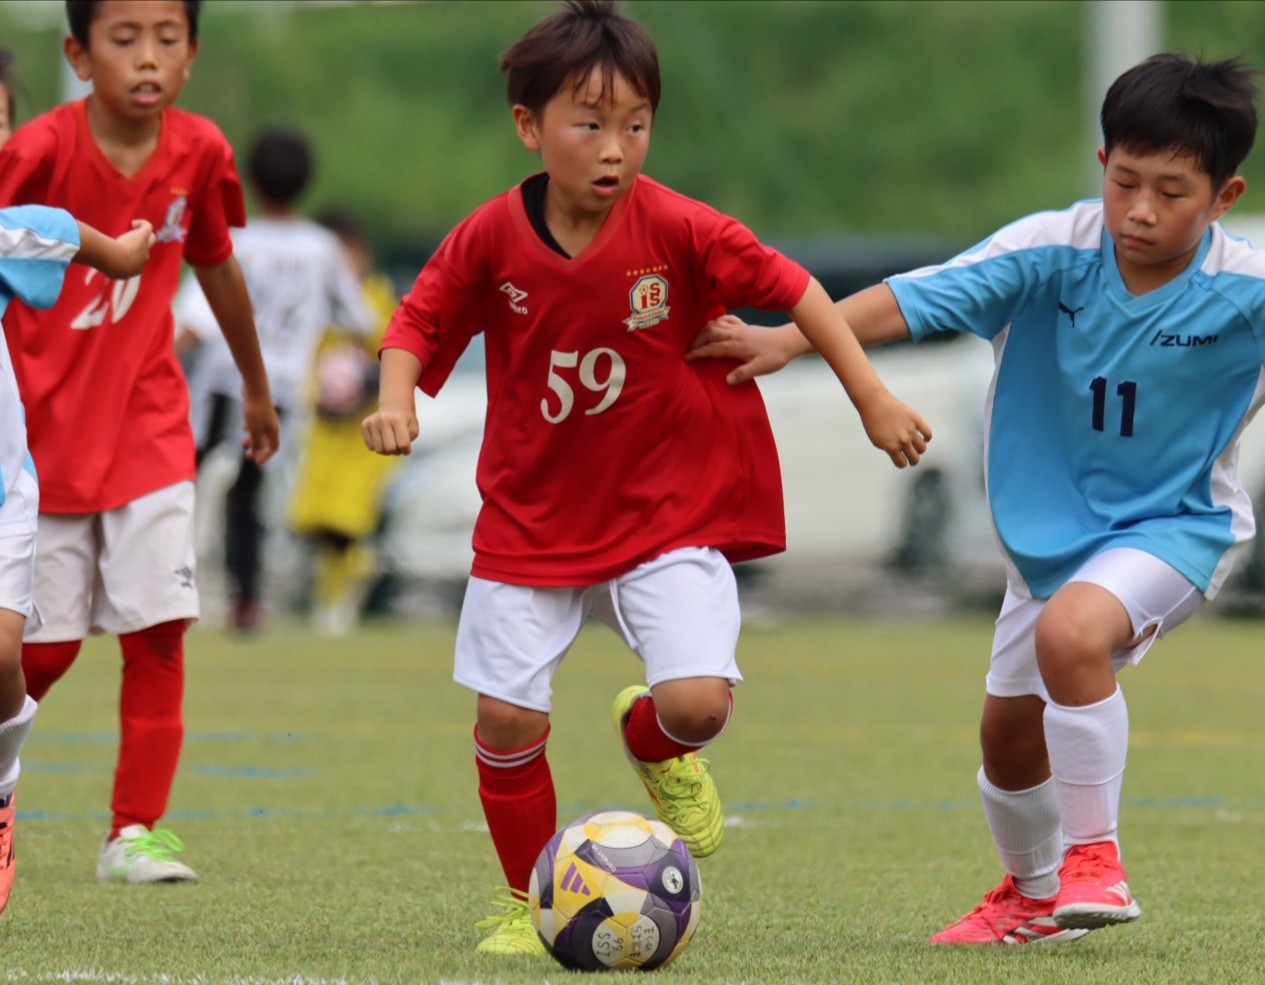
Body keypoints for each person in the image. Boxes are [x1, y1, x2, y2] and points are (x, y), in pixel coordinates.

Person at [362, 0, 931, 956]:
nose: (614, 148)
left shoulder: (680, 226)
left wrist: (870, 397)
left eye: (635, 125)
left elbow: (798, 289)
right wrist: (395, 398)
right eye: (589, 124)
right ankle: (525, 900)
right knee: (505, 717)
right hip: (532, 514)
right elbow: (417, 319)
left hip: (665, 511)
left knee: (697, 704)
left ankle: (653, 742)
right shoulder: (491, 236)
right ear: (528, 126)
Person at [688, 53, 1265, 945]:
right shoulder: (1048, 251)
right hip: (1044, 543)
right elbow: (914, 299)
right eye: (1124, 181)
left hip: (1174, 526)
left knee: (1071, 634)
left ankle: (1095, 861)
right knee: (1007, 739)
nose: (1140, 210)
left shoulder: (1245, 291)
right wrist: (792, 342)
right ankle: (1032, 897)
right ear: (1101, 161)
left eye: (1171, 192)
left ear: (1223, 197)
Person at [0, 0, 279, 885]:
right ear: (79, 55)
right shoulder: (37, 150)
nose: (148, 57)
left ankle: (135, 832)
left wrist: (257, 388)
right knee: (39, 654)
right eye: (124, 39)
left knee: (159, 631)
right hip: (37, 442)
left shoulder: (201, 151)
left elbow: (217, 265)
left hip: (150, 427)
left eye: (167, 38)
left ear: (193, 52)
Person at [0, 44, 157, 918]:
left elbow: (76, 236)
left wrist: (128, 253)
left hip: (3, 496)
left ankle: (0, 786)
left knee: (2, 656)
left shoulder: (8, 230)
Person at [175, 128, 369, 633]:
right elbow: (359, 318)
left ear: (252, 180)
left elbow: (193, 323)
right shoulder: (322, 249)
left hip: (222, 382)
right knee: (252, 493)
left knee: (180, 481)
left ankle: (167, 583)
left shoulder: (235, 240)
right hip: (280, 389)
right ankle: (247, 601)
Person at [286, 210, 401, 636]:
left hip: (364, 433)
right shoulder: (315, 304)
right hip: (324, 429)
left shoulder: (375, 296)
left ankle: (345, 591)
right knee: (313, 518)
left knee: (345, 519)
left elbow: (393, 352)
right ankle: (334, 593)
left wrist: (364, 383)